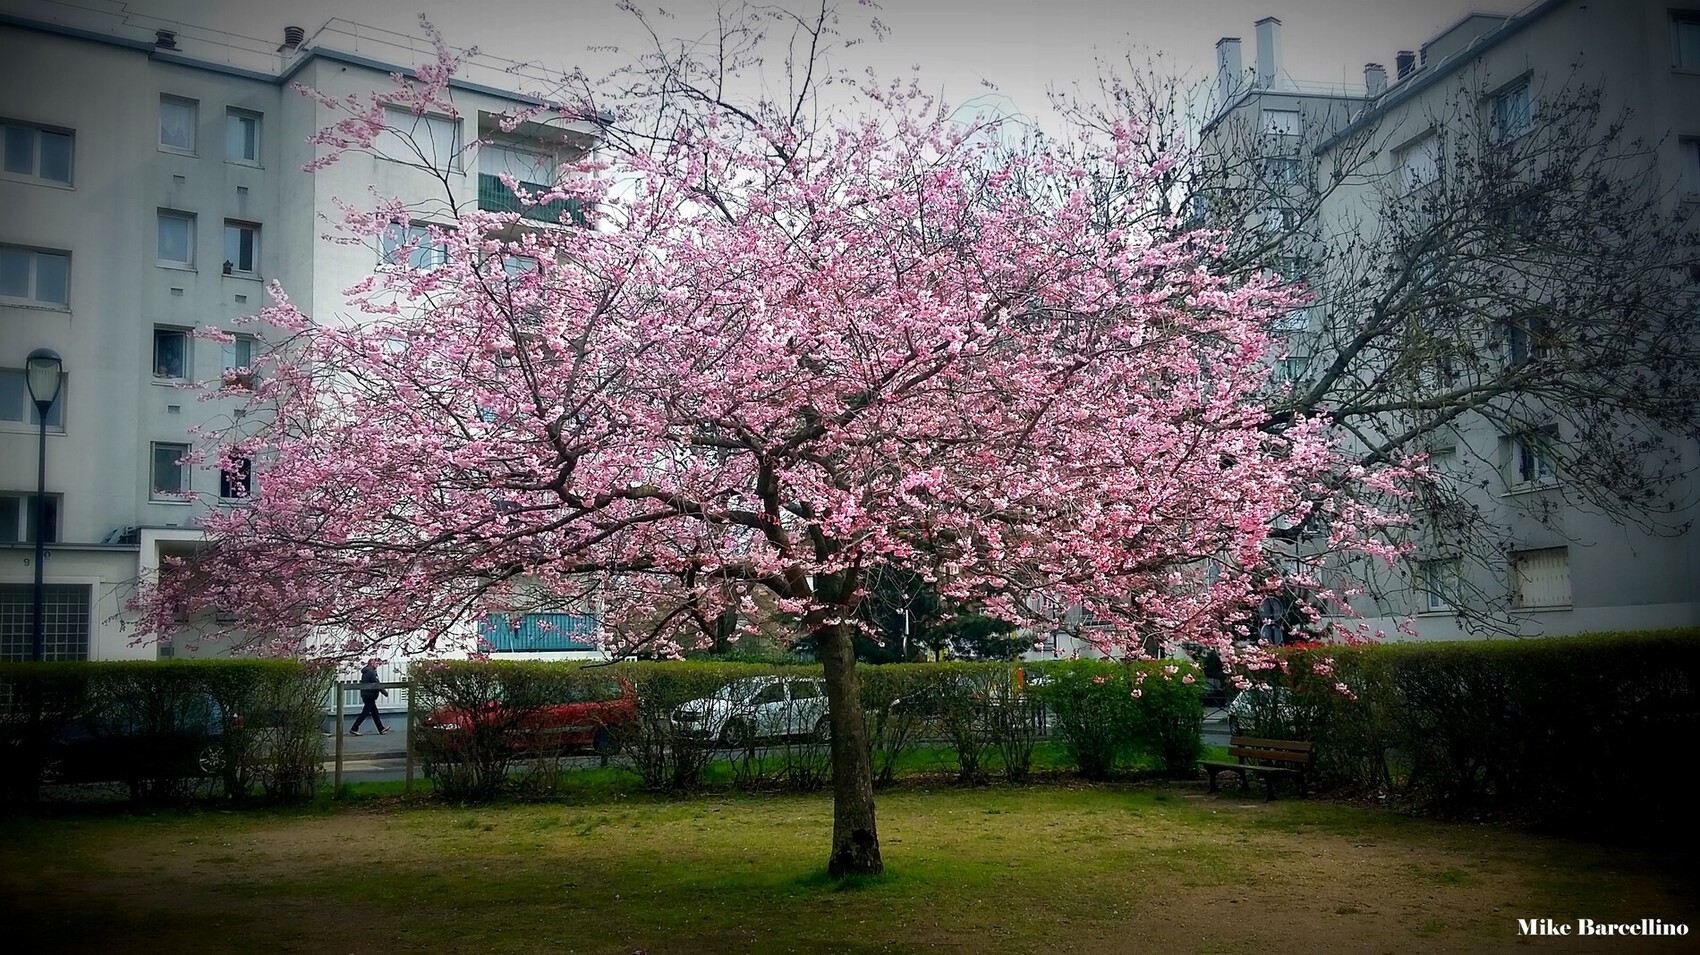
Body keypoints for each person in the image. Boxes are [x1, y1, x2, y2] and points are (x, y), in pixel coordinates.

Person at [348, 660, 389, 736]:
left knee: (374, 712)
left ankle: (381, 728)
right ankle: (354, 728)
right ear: (372, 663)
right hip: (369, 695)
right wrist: (384, 692)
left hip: (367, 695)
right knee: (365, 712)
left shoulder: (367, 671)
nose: (377, 665)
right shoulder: (371, 672)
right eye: (376, 663)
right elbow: (376, 683)